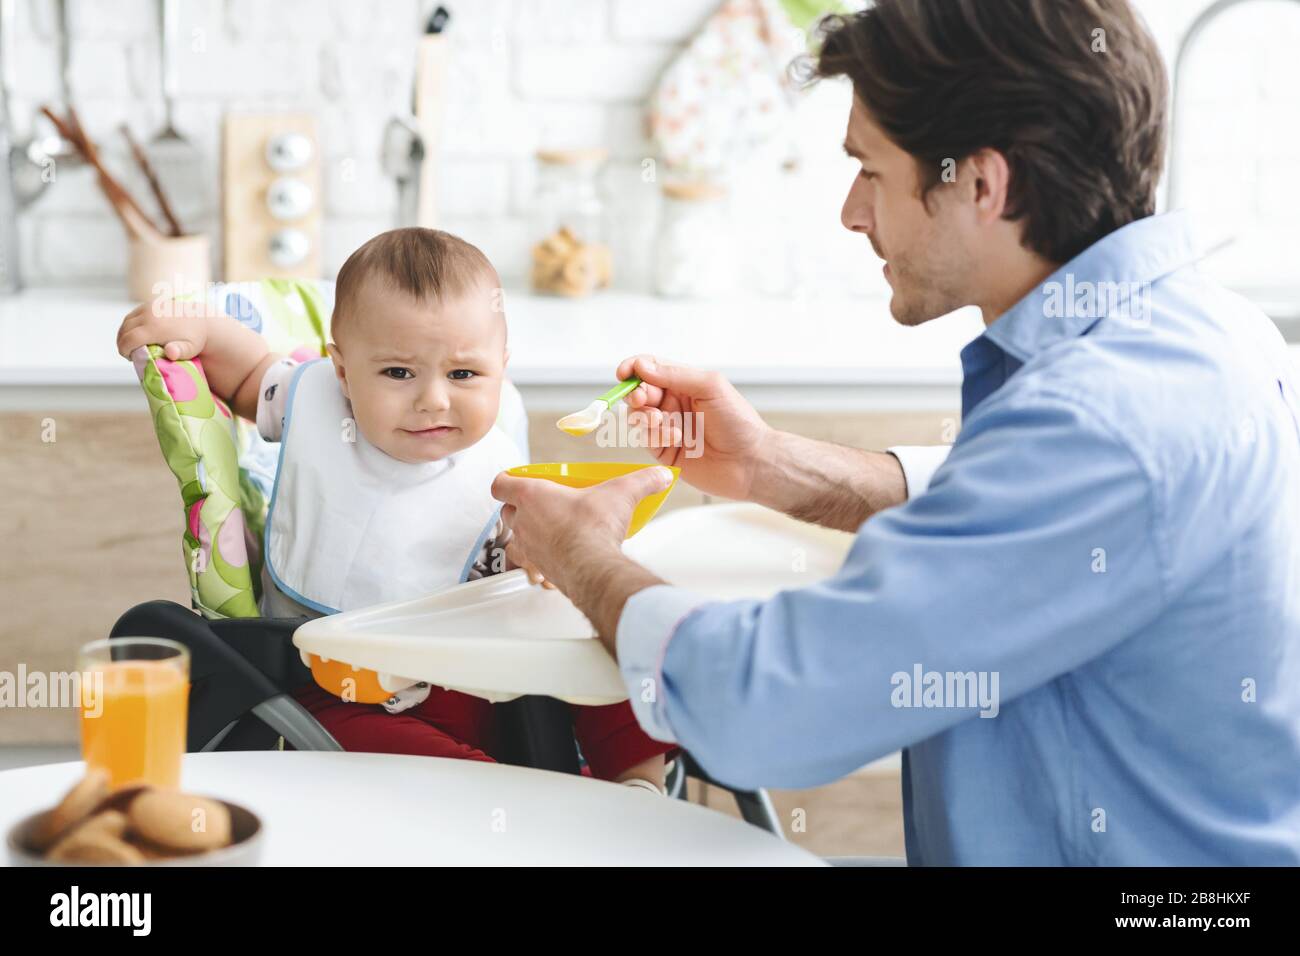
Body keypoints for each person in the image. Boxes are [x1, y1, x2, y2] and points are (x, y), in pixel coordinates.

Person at [491, 0, 1300, 863]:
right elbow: (1025, 516)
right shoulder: (1198, 328)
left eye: (869, 172)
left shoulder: (1099, 423)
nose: (850, 212)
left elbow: (762, 703)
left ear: (982, 185)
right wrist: (775, 466)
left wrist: (582, 555)